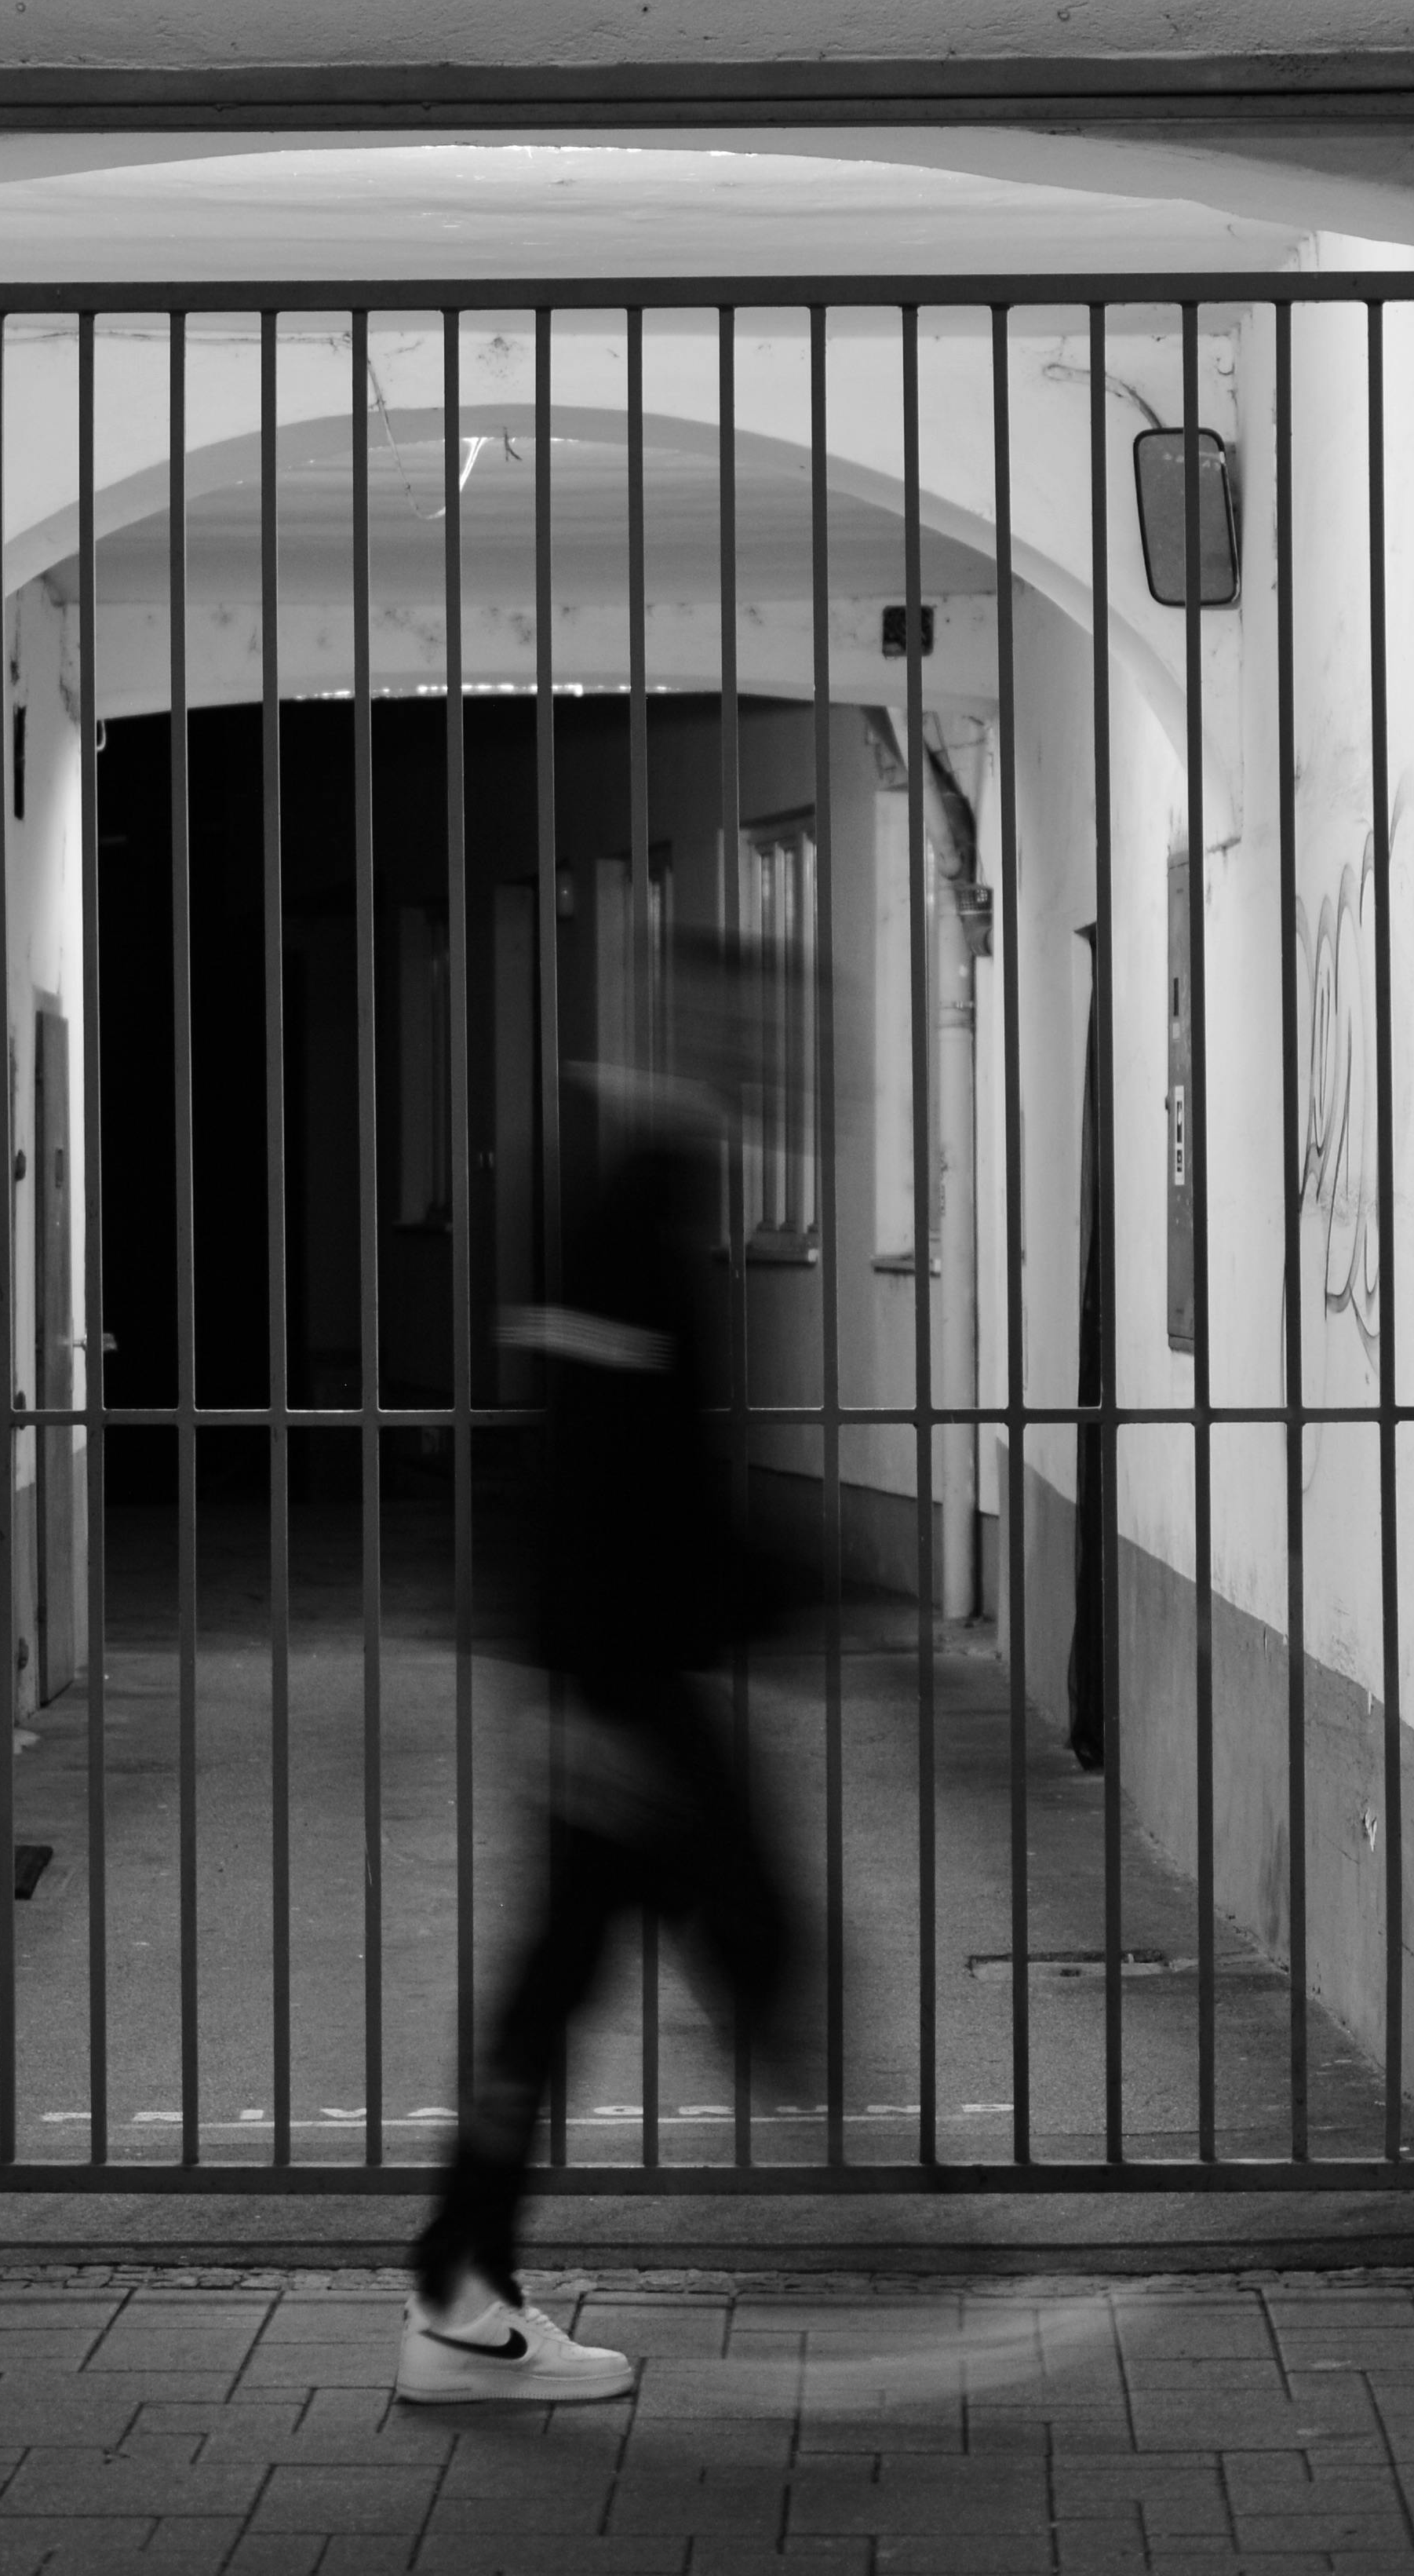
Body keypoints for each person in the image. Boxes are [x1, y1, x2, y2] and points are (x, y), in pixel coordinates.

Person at [398, 934, 805, 2405]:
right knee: (688, 1940)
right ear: (689, 1030)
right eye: (747, 1033)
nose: (769, 1066)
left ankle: (460, 2283)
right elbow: (592, 1461)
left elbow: (637, 1462)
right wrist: (580, 1688)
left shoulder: (654, 1184)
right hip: (616, 1677)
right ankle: (457, 2292)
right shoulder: (626, 1197)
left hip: (621, 1667)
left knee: (575, 1968)